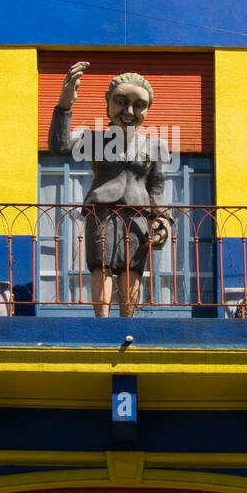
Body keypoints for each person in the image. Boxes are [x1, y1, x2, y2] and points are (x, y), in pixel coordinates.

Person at [48, 61, 171, 317]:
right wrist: (64, 105)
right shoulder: (92, 139)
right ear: (108, 101)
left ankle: (128, 322)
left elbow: (157, 190)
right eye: (121, 101)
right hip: (101, 212)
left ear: (148, 109)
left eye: (139, 105)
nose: (129, 111)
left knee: (132, 268)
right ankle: (101, 323)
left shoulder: (156, 146)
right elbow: (58, 146)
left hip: (138, 215)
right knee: (101, 265)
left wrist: (163, 220)